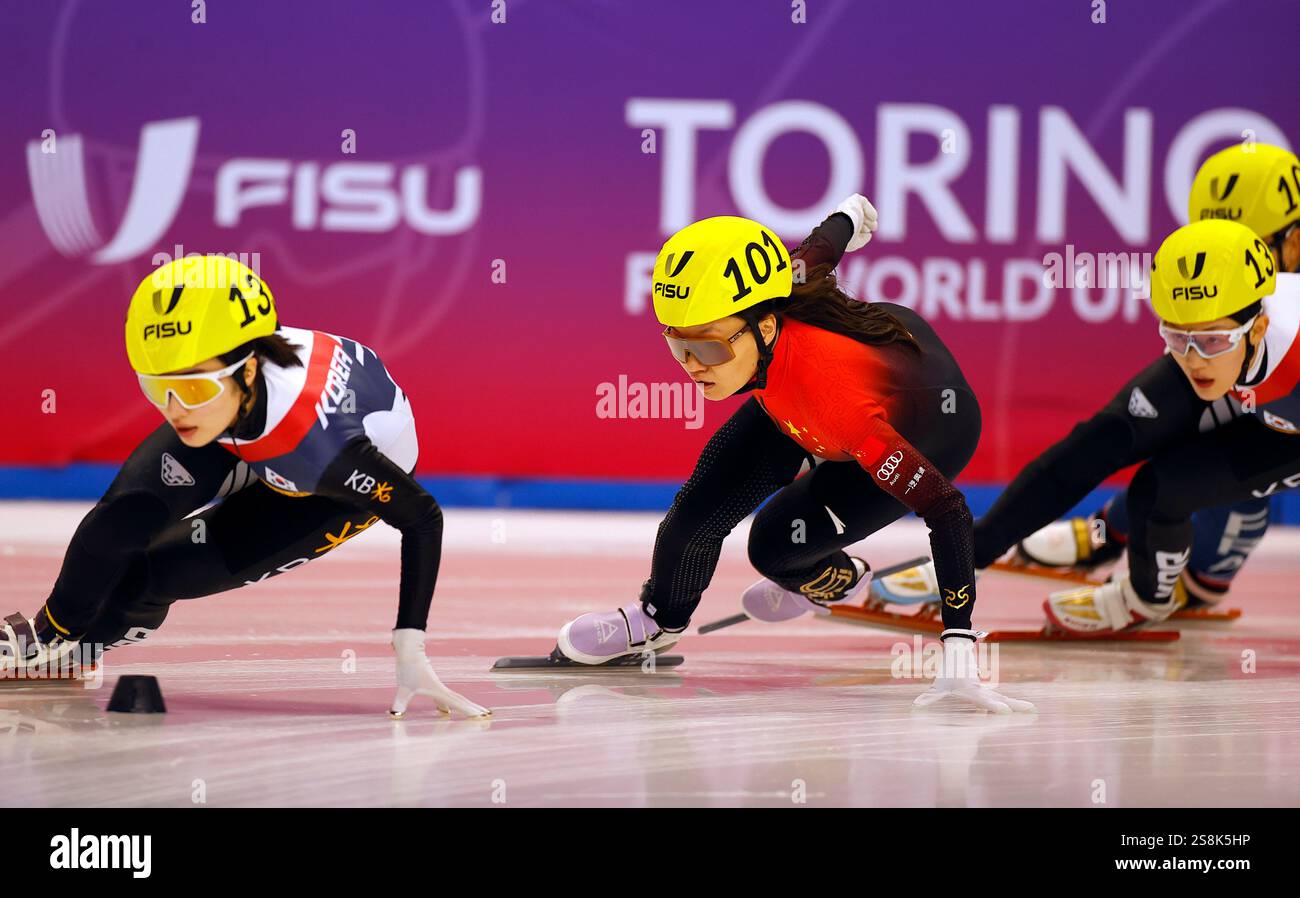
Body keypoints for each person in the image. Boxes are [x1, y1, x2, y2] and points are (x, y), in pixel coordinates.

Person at [553, 196, 1033, 712]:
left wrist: (959, 648)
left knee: (775, 547)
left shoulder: (841, 405)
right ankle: (658, 620)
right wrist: (850, 216)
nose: (692, 365)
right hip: (791, 391)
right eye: (677, 346)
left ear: (763, 328)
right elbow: (818, 250)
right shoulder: (777, 292)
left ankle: (836, 579)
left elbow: (948, 510)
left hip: (926, 426)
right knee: (700, 504)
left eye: (709, 347)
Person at [0, 255, 487, 718]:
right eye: (156, 389)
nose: (175, 410)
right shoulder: (213, 383)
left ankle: (84, 649)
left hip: (320, 490)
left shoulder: (322, 447)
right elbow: (191, 407)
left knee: (153, 576)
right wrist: (200, 393)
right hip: (240, 417)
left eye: (190, 388)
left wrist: (410, 646)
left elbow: (423, 516)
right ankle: (49, 639)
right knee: (124, 517)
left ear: (250, 367)